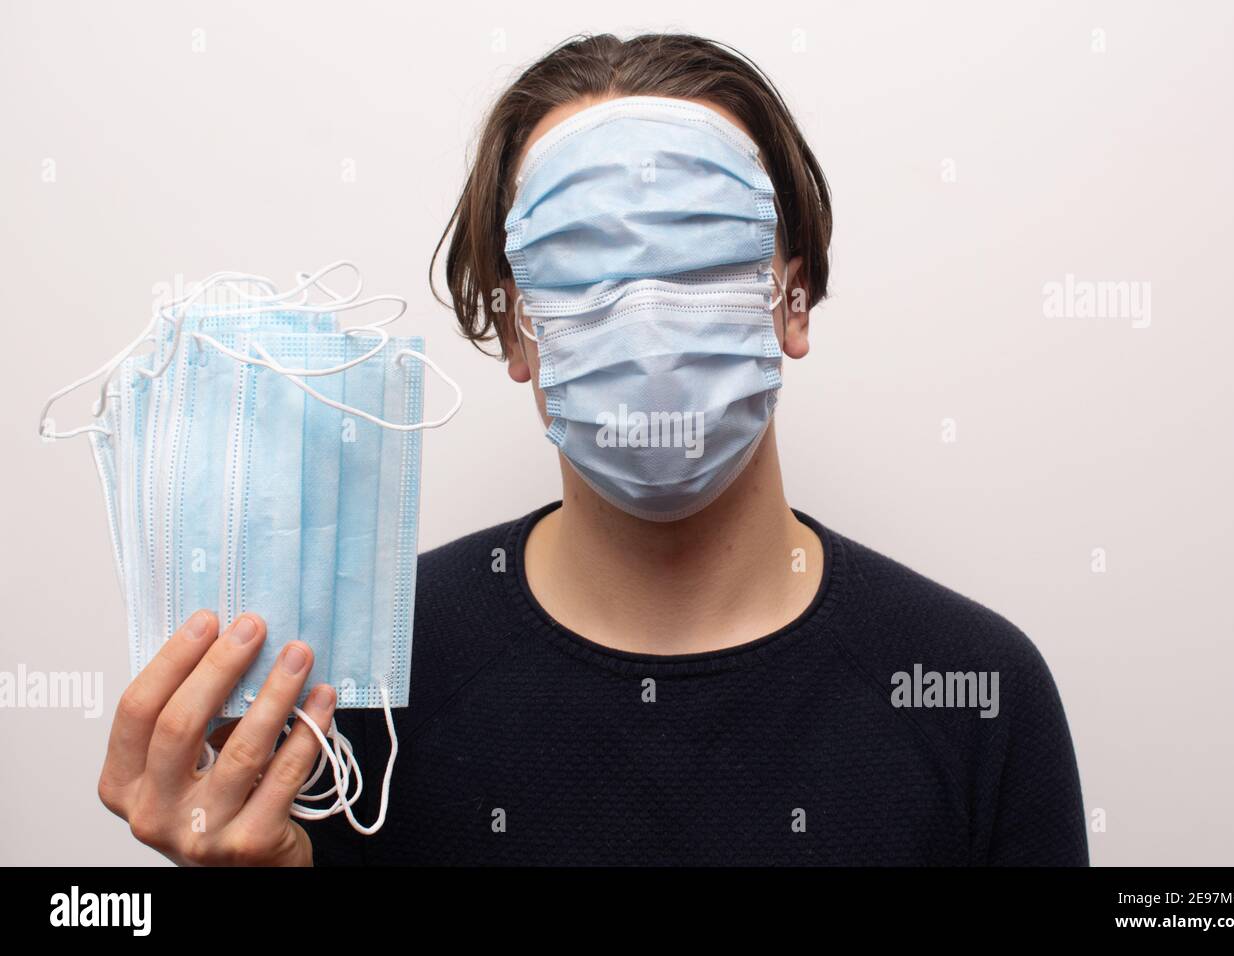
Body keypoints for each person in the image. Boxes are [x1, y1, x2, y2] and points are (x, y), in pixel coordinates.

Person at [96, 33, 1087, 866]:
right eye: (583, 266)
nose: (647, 319)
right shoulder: (349, 692)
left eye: (699, 252)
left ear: (792, 300)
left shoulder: (972, 688)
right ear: (518, 329)